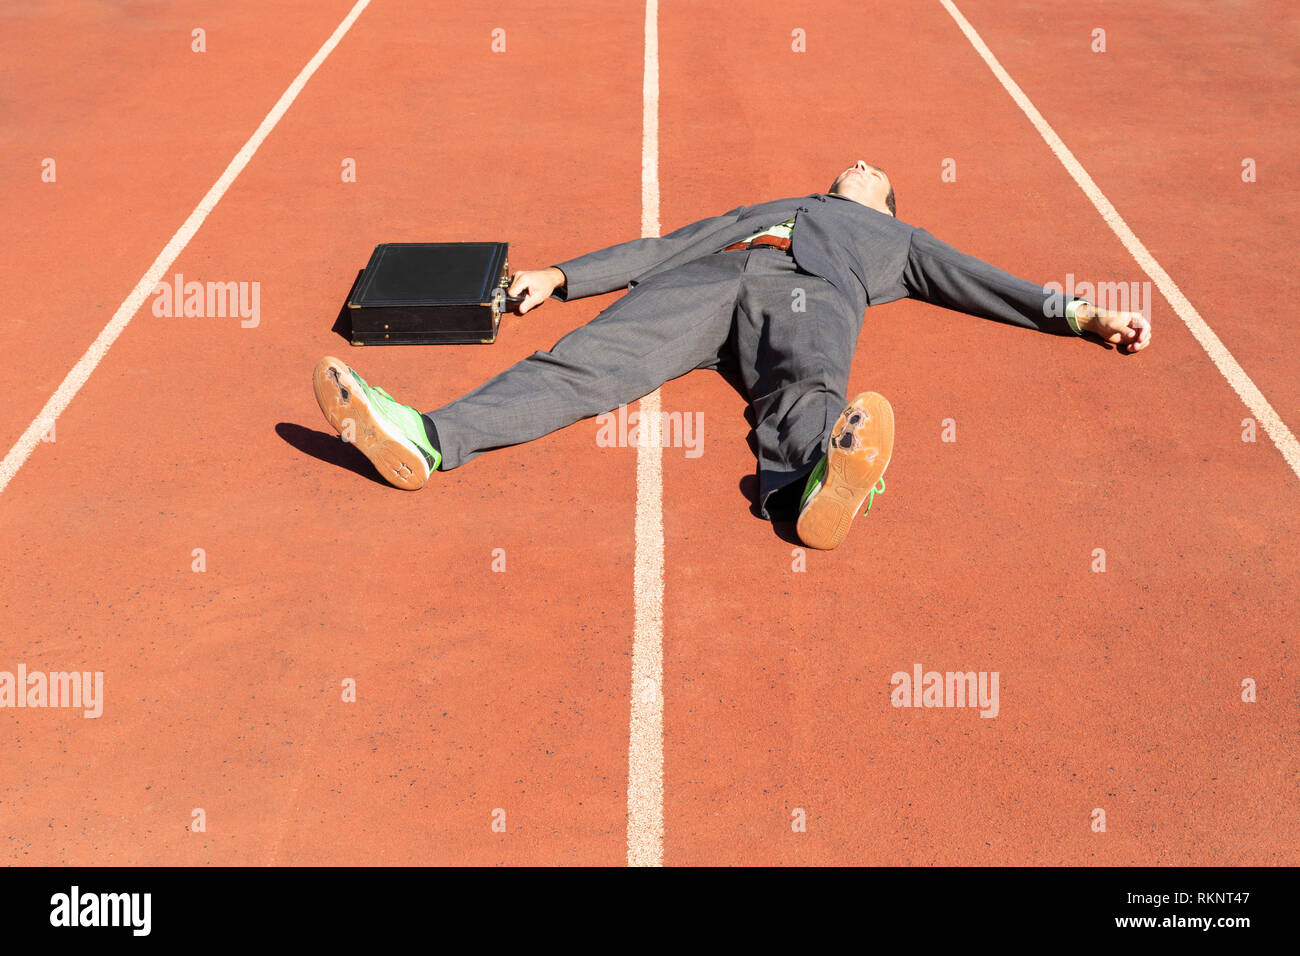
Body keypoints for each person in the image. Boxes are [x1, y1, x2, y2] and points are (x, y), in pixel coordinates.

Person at [312, 160, 1152, 550]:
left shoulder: (896, 239)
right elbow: (666, 244)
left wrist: (1078, 312)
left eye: (869, 168)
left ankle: (819, 481)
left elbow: (975, 279)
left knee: (808, 383)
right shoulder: (774, 201)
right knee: (583, 365)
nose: (853, 162)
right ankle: (425, 436)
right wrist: (564, 275)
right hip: (706, 282)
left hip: (810, 294)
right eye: (848, 164)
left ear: (886, 201)